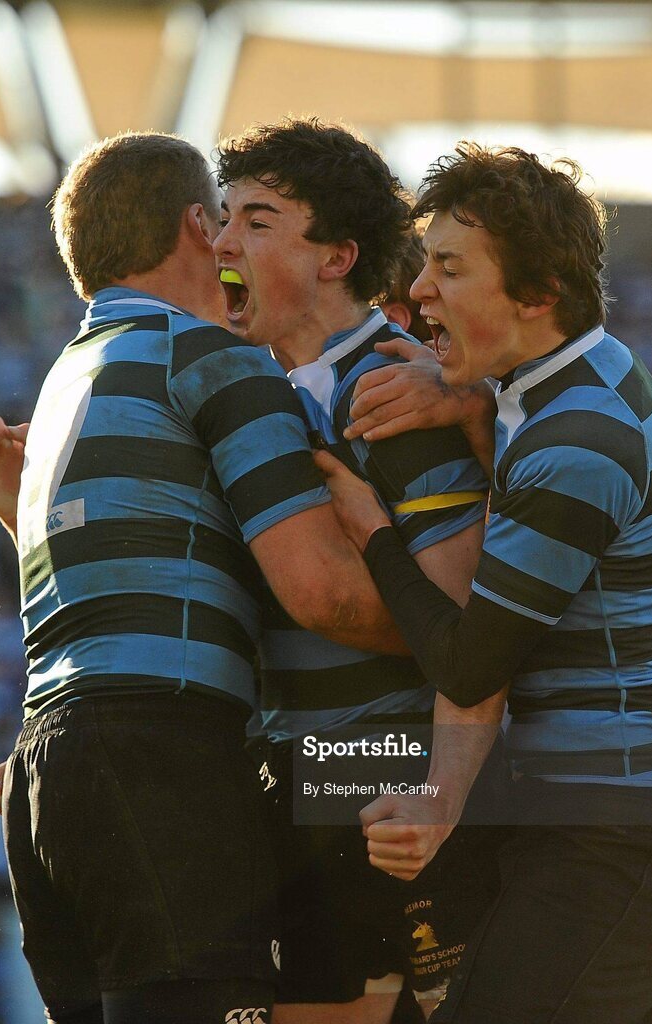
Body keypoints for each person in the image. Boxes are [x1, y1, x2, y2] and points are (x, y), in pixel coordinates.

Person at [0, 131, 411, 1024]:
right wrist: (482, 641)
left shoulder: (68, 375)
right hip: (161, 764)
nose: (233, 239)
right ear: (200, 225)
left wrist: (14, 513)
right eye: (227, 217)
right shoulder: (212, 360)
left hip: (44, 779)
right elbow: (325, 596)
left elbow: (112, 587)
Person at [315, 143, 652, 1024]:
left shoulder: (578, 439)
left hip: (611, 840)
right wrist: (466, 394)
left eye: (450, 269)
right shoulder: (576, 378)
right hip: (591, 825)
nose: (419, 291)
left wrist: (371, 531)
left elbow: (465, 662)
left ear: (535, 297)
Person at [213, 118, 504, 1022]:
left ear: (338, 256)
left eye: (258, 221)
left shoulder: (387, 384)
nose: (223, 242)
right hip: (301, 775)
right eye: (225, 218)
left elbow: (465, 621)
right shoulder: (245, 391)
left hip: (375, 775)